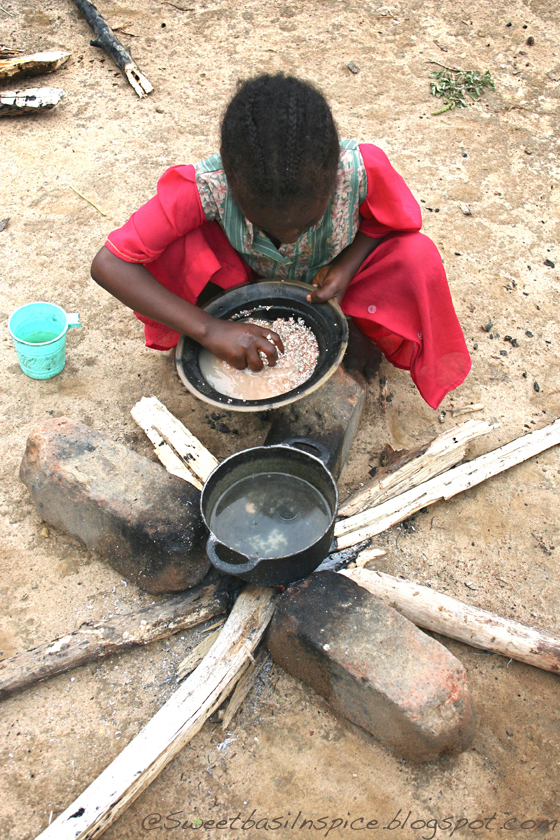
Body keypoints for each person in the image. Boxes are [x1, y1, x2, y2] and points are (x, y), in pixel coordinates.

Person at [91, 73, 470, 409]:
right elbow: (110, 263)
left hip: (330, 281)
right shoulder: (209, 187)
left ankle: (354, 324)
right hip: (245, 280)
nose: (289, 237)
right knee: (171, 248)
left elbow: (391, 224)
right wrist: (210, 329)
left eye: (307, 222)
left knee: (417, 256)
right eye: (267, 225)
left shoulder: (358, 171)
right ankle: (214, 313)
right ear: (233, 186)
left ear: (332, 178)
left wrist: (347, 266)